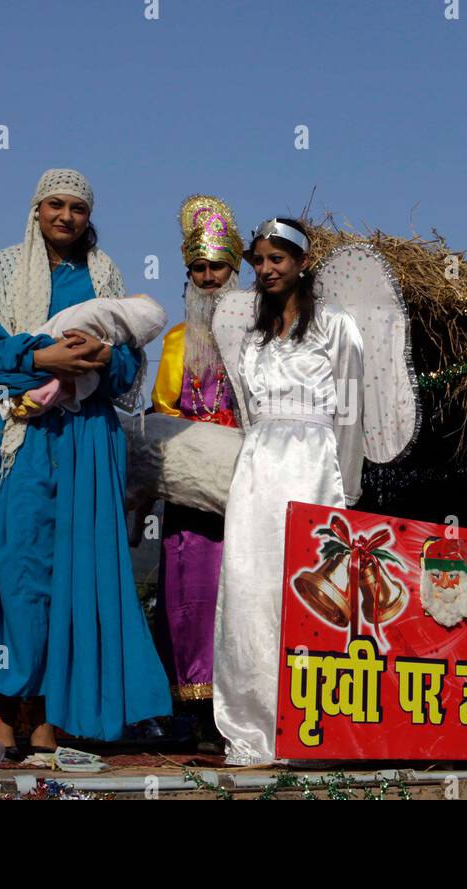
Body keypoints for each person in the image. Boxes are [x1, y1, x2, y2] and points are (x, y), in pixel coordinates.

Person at [0, 169, 170, 754]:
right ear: (36, 208)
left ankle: (52, 722)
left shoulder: (104, 276)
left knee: (76, 571)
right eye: (55, 204)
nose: (65, 216)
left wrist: (99, 358)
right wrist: (43, 354)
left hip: (84, 439)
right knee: (13, 568)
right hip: (19, 434)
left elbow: (128, 368)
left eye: (77, 207)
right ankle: (2, 719)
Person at [211, 217, 365, 765]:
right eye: (258, 260)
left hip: (313, 467)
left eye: (277, 259)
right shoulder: (252, 335)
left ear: (301, 262)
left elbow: (350, 416)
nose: (266, 269)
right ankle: (253, 726)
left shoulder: (338, 326)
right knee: (252, 588)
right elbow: (251, 413)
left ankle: (311, 724)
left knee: (307, 591)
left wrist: (343, 494)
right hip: (259, 468)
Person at [149, 195, 243, 750]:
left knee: (243, 591)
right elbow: (165, 415)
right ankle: (196, 715)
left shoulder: (259, 334)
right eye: (199, 270)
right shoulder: (177, 342)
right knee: (190, 595)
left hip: (247, 482)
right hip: (191, 493)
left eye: (218, 268)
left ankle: (243, 705)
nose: (208, 278)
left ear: (237, 271)